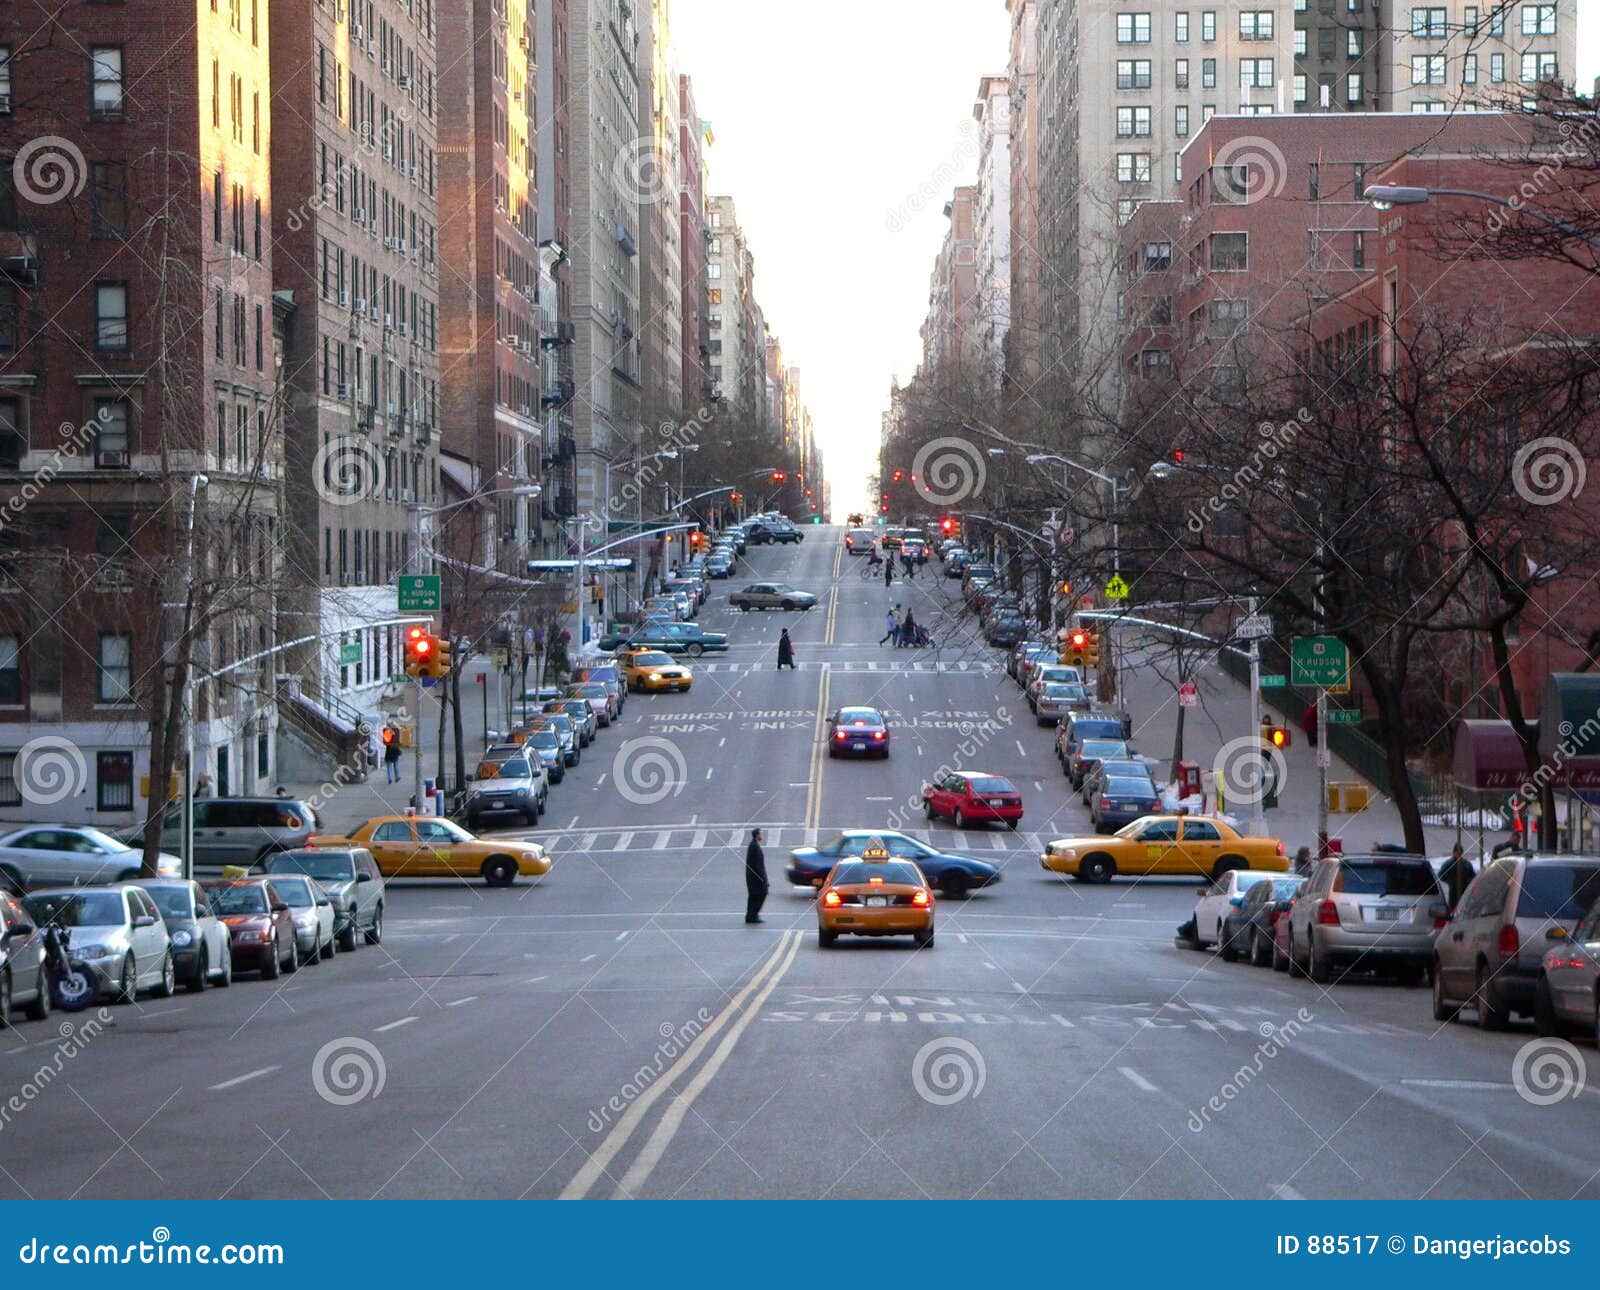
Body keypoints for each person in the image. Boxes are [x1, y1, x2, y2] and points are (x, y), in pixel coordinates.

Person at [1441, 842, 1475, 911]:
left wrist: (1469, 883)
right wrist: (1450, 881)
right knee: (1453, 907)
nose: (1459, 855)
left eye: (1461, 853)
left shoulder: (1466, 864)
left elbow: (1473, 876)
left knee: (1464, 906)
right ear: (1454, 853)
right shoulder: (1449, 864)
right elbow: (1441, 875)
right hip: (1453, 890)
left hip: (1465, 889)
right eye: (1458, 853)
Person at [744, 828, 768, 924]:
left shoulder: (754, 845)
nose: (762, 836)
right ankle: (753, 915)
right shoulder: (754, 847)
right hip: (755, 878)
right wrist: (763, 879)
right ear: (757, 835)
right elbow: (758, 865)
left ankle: (751, 915)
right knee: (760, 894)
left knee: (754, 896)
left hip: (753, 877)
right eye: (761, 834)